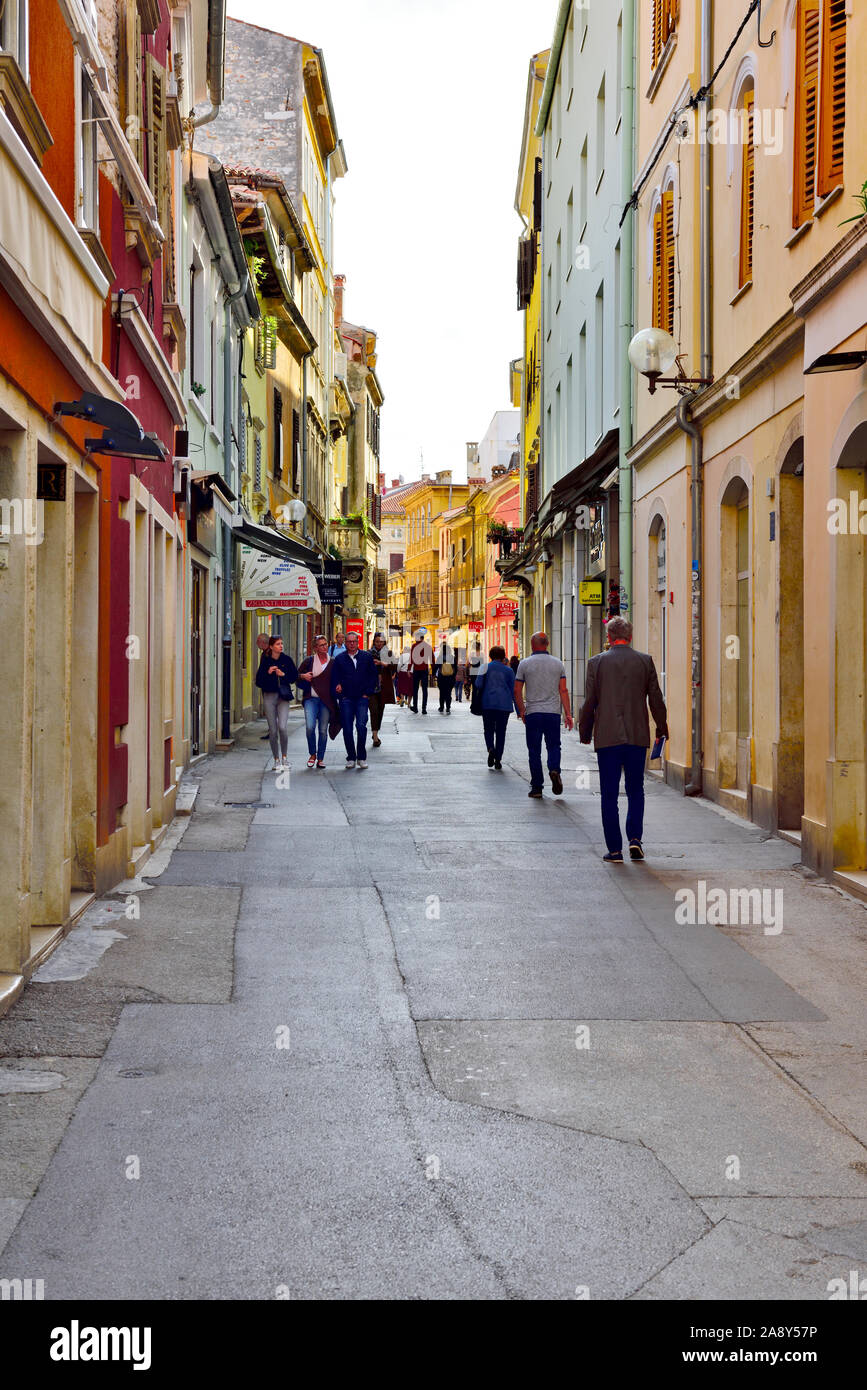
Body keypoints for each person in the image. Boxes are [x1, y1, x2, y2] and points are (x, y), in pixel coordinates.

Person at [578, 615, 668, 863]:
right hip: (637, 736)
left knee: (609, 794)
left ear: (608, 638)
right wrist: (662, 727)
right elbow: (656, 700)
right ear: (630, 637)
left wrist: (585, 732)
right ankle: (635, 839)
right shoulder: (644, 661)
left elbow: (590, 703)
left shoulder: (596, 663)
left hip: (607, 737)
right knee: (635, 790)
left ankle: (615, 849)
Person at [513, 632, 573, 799]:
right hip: (553, 713)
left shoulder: (524, 664)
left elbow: (517, 690)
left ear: (532, 645)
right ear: (547, 644)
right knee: (554, 746)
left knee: (534, 750)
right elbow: (563, 690)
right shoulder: (557, 664)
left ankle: (537, 787)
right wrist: (568, 714)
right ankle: (554, 769)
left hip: (533, 712)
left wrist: (521, 710)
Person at [331, 630, 379, 768]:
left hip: (362, 698)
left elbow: (373, 676)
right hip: (346, 698)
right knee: (347, 728)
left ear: (358, 642)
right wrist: (339, 689)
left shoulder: (366, 657)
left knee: (361, 726)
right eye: (349, 642)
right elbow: (334, 678)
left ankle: (361, 757)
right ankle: (351, 757)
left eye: (354, 641)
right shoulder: (340, 659)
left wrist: (368, 693)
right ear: (345, 643)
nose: (352, 644)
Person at [254, 635, 298, 771]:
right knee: (273, 730)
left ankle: (285, 757)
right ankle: (276, 760)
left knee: (283, 727)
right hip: (269, 696)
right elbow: (258, 681)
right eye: (278, 644)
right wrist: (268, 672)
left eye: (281, 643)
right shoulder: (266, 660)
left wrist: (283, 674)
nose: (281, 646)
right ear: (271, 647)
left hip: (283, 696)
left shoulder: (287, 660)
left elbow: (294, 677)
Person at [296, 634, 340, 768]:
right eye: (321, 645)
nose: (325, 647)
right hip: (311, 699)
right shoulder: (308, 661)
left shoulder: (333, 662)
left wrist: (339, 685)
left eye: (326, 644)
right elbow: (295, 676)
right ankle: (312, 754)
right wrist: (303, 676)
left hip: (326, 701)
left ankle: (320, 758)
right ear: (315, 648)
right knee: (310, 727)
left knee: (322, 730)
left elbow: (339, 678)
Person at [474, 645, 517, 769]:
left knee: (488, 729)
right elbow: (514, 690)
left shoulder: (484, 667)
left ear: (490, 655)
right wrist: (519, 710)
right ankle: (498, 759)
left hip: (488, 703)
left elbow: (478, 684)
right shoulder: (509, 671)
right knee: (501, 732)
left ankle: (490, 749)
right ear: (503, 656)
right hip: (504, 705)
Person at [367, 633, 396, 747]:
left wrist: (383, 663)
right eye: (377, 641)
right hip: (372, 686)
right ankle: (375, 736)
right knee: (373, 710)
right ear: (374, 642)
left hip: (383, 687)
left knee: (380, 710)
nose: (379, 643)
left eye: (381, 641)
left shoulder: (388, 653)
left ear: (384, 642)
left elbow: (395, 667)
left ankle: (376, 731)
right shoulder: (368, 654)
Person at [410, 630, 432, 714]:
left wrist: (409, 669)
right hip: (424, 670)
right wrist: (433, 670)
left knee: (415, 689)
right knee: (424, 690)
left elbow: (411, 659)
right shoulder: (427, 646)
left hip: (416, 670)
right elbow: (432, 658)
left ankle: (415, 707)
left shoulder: (414, 646)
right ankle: (424, 708)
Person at [434, 638, 456, 714]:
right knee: (448, 693)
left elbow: (436, 667)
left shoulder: (440, 657)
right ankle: (448, 707)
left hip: (441, 677)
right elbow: (455, 668)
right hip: (450, 678)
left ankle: (441, 707)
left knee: (442, 693)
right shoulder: (452, 657)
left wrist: (434, 675)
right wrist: (454, 676)